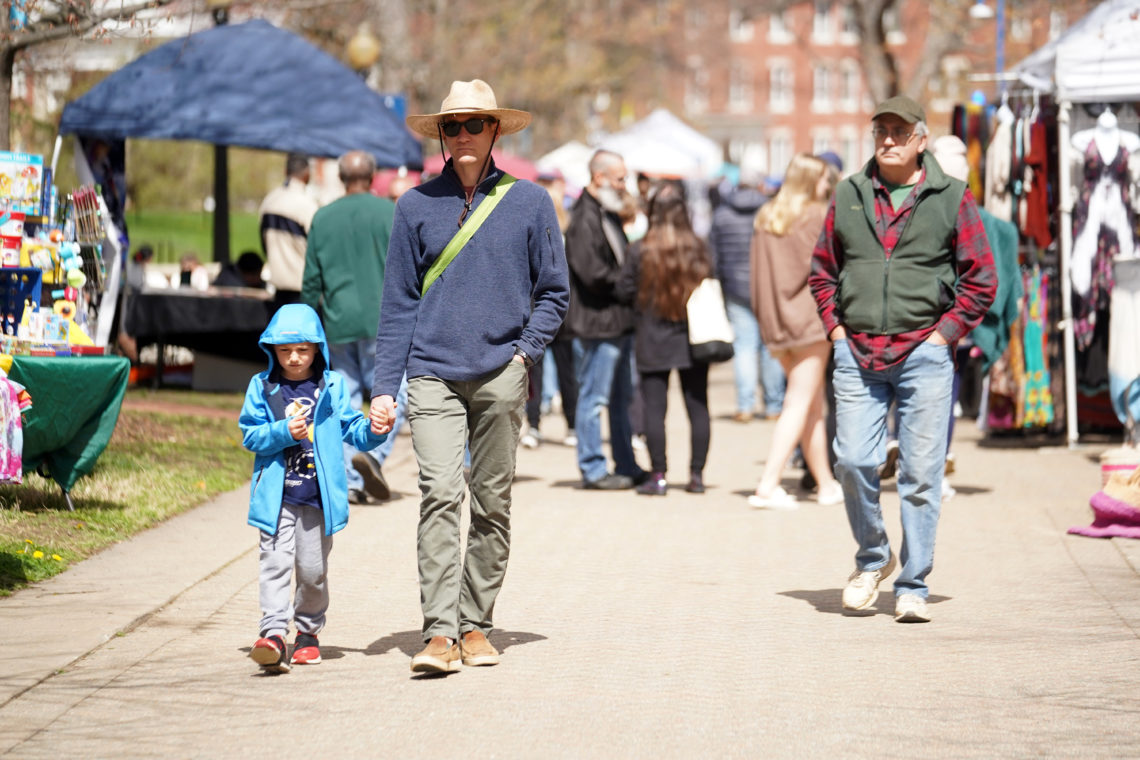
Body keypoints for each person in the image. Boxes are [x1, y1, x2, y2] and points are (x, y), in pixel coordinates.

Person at [369, 79, 568, 673]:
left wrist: (523, 355)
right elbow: (397, 304)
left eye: (474, 124)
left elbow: (554, 293)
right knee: (438, 494)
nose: (462, 135)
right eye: (452, 126)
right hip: (432, 374)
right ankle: (439, 632)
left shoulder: (530, 203)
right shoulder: (413, 206)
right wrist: (384, 387)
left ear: (495, 130)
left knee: (491, 503)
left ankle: (475, 622)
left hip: (501, 373)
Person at [809, 95, 996, 623]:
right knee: (852, 461)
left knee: (920, 473)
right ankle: (873, 558)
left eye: (899, 131)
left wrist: (944, 335)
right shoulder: (848, 193)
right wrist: (836, 330)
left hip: (924, 354)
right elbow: (822, 270)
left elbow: (981, 278)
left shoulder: (951, 196)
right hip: (857, 351)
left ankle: (913, 585)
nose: (887, 140)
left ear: (920, 140)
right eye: (880, 131)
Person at [240, 303, 388, 673]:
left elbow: (352, 428)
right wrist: (281, 432)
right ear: (271, 349)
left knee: (312, 571)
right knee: (274, 563)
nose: (293, 357)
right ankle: (273, 635)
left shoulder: (332, 386)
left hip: (317, 500)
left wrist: (374, 430)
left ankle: (307, 633)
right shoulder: (262, 387)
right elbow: (251, 435)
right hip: (277, 499)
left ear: (318, 348)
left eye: (303, 350)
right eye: (285, 350)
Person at [302, 150, 403, 505]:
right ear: (373, 177)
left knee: (343, 404)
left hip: (338, 322)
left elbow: (311, 281)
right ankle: (372, 454)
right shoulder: (391, 213)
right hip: (384, 322)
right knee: (393, 395)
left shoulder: (323, 218)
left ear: (341, 178)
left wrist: (306, 327)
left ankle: (350, 480)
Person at [747, 153, 843, 510]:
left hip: (776, 321)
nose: (827, 184)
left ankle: (826, 484)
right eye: (823, 178)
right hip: (808, 321)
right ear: (811, 180)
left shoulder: (767, 216)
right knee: (799, 403)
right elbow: (833, 266)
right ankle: (768, 484)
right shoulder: (815, 216)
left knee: (810, 406)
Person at [616, 182, 711, 496]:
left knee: (655, 409)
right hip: (694, 337)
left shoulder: (640, 249)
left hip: (652, 335)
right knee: (698, 406)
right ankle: (696, 476)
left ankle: (658, 476)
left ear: (653, 212)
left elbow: (623, 290)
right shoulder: (699, 247)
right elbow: (713, 282)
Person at [565, 149, 647, 490]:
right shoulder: (584, 216)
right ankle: (593, 468)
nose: (624, 185)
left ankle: (626, 462)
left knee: (620, 398)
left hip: (616, 320)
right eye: (619, 179)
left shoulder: (605, 212)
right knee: (594, 397)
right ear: (599, 177)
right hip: (598, 322)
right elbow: (592, 273)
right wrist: (627, 282)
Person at [708, 170, 786, 423]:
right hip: (768, 287)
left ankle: (745, 405)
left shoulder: (721, 215)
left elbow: (713, 256)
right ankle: (773, 406)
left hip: (735, 288)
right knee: (769, 347)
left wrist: (720, 282)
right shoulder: (772, 211)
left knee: (744, 347)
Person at [259, 153, 319, 307]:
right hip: (302, 288)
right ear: (307, 174)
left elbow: (264, 243)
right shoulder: (308, 204)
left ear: (285, 171)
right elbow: (318, 249)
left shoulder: (269, 200)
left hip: (278, 287)